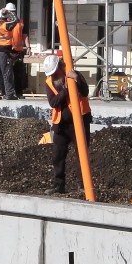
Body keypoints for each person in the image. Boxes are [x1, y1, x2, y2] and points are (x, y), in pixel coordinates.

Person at [43, 54, 91, 195]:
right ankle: (59, 186)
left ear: (59, 67)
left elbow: (85, 92)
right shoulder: (49, 82)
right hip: (61, 124)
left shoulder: (74, 75)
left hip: (80, 120)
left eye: (54, 72)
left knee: (81, 154)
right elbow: (53, 102)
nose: (53, 76)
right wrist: (66, 90)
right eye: (51, 74)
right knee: (58, 155)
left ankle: (83, 186)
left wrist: (76, 80)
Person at [0, 7, 23, 99]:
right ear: (5, 17)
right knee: (7, 73)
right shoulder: (6, 26)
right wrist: (10, 12)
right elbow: (16, 20)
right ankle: (10, 94)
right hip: (4, 53)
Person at [3, 3, 31, 96]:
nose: (11, 14)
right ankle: (6, 92)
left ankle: (18, 93)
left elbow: (25, 35)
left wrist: (28, 47)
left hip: (17, 51)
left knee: (18, 73)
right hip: (7, 50)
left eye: (12, 12)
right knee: (7, 73)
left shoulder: (20, 22)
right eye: (9, 12)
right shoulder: (3, 22)